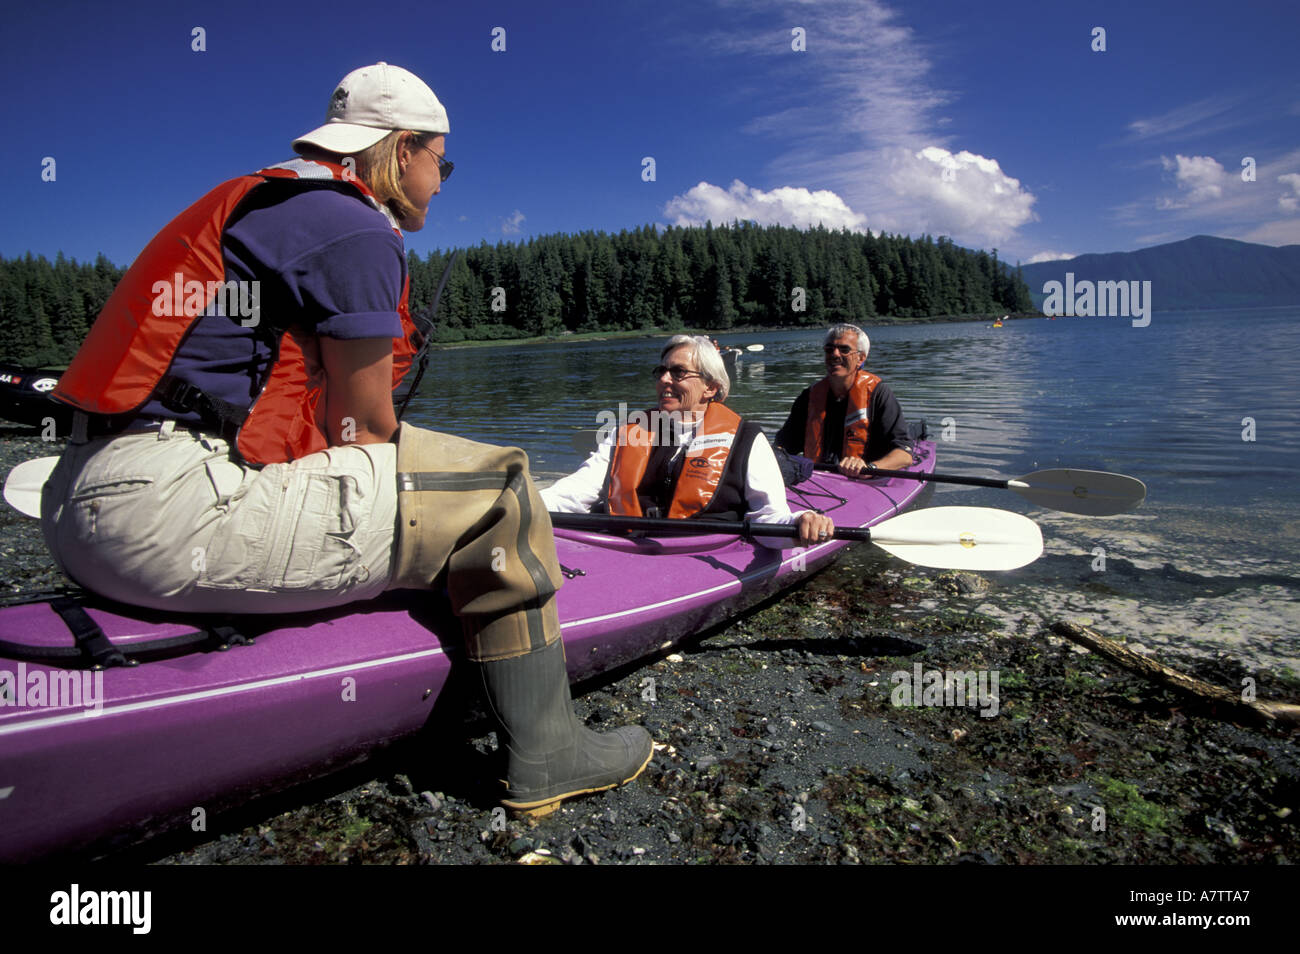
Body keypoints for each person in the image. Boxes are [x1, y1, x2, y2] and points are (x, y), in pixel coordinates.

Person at [40, 62, 651, 816]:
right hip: (163, 514)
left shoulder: (271, 201)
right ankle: (550, 754)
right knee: (502, 487)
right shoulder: (355, 225)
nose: (443, 180)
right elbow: (362, 431)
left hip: (76, 504)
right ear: (400, 152)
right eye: (442, 161)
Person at [542, 335, 834, 546]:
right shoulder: (628, 432)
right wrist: (529, 505)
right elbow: (577, 491)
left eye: (678, 372)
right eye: (661, 371)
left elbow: (768, 519)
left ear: (711, 388)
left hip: (697, 553)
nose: (665, 380)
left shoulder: (747, 440)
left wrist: (800, 522)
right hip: (625, 547)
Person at [775, 323, 914, 477]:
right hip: (817, 480)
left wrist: (870, 468)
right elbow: (783, 446)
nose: (835, 354)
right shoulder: (808, 397)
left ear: (860, 358)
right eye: (829, 349)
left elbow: (904, 454)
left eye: (844, 349)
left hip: (865, 481)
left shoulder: (879, 394)